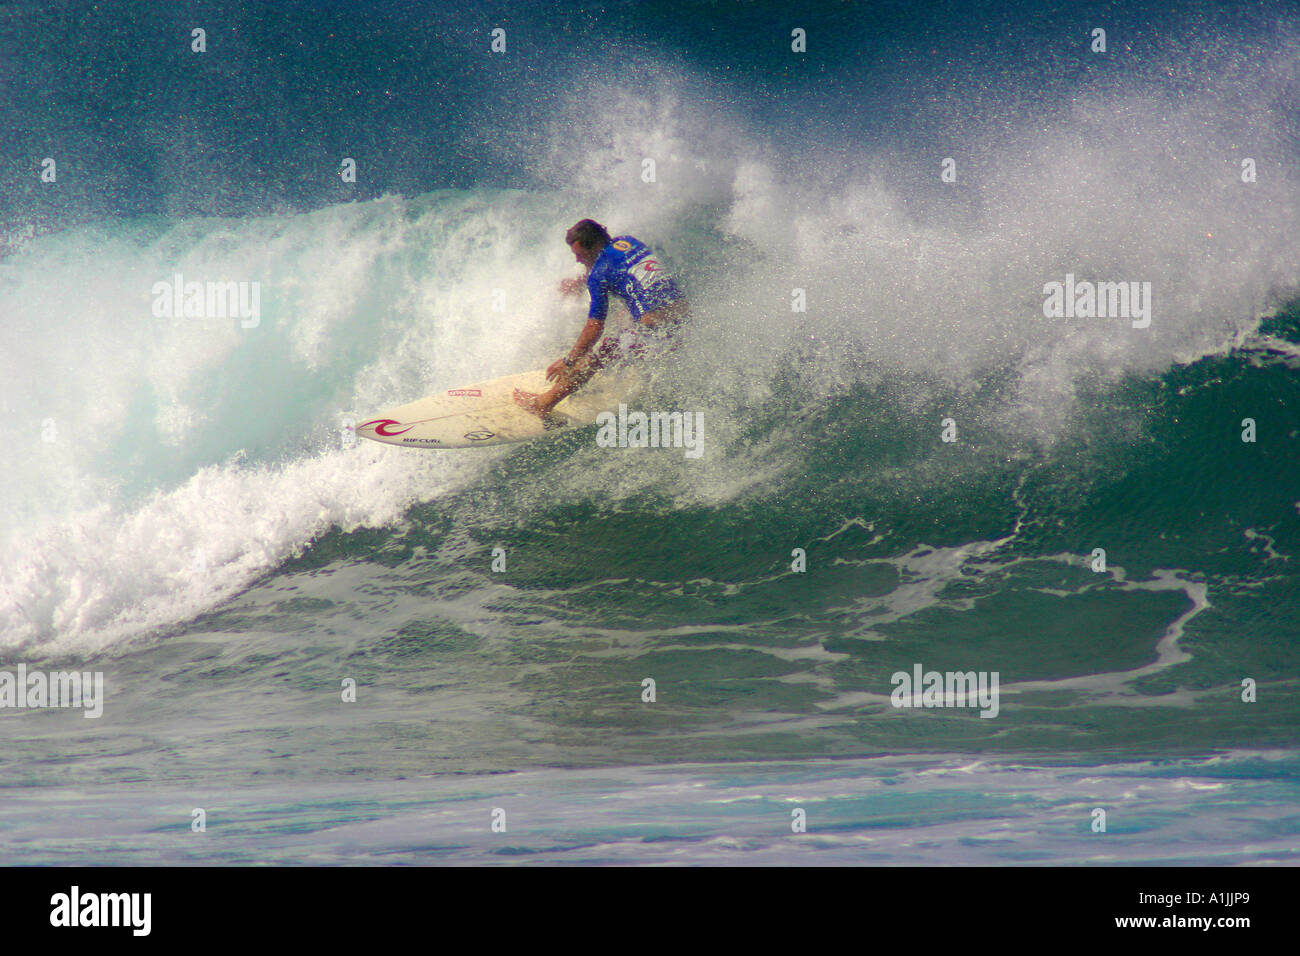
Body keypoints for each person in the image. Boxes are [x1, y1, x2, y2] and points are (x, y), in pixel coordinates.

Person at [513, 219, 688, 419]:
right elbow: (614, 268)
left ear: (594, 246)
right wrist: (580, 282)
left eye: (579, 255)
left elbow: (595, 326)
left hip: (656, 332)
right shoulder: (626, 242)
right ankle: (627, 363)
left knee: (595, 354)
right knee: (625, 314)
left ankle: (544, 404)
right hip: (680, 315)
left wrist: (569, 360)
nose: (577, 260)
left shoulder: (599, 275)